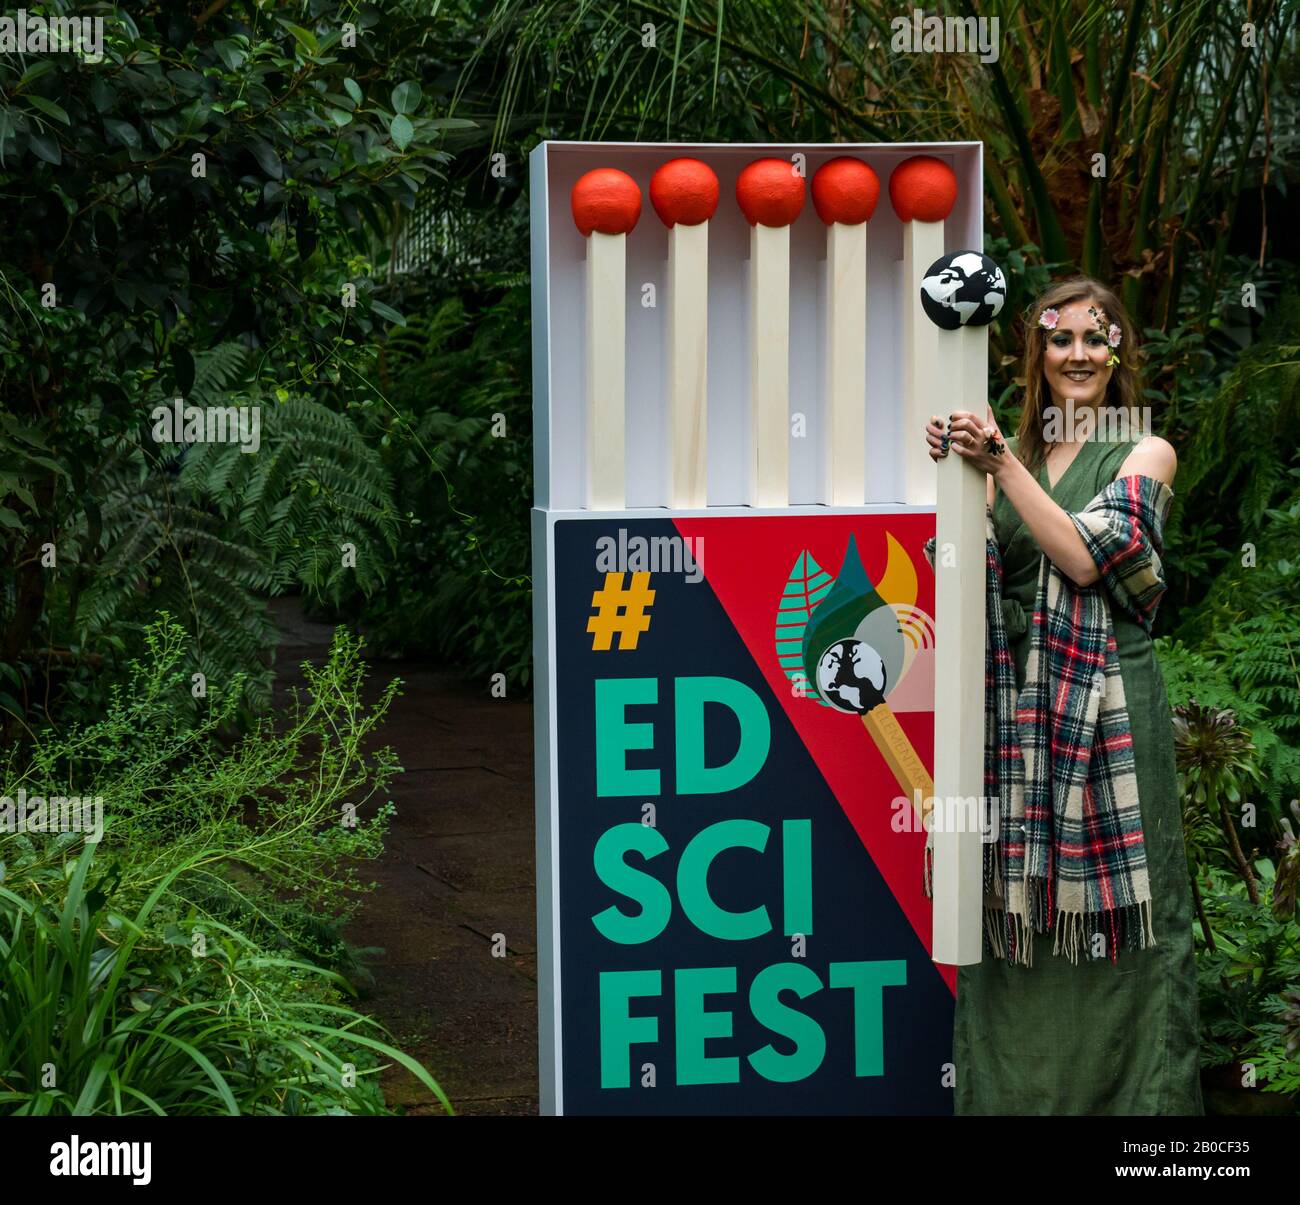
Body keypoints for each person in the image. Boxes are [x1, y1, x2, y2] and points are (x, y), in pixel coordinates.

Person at [923, 276, 1204, 1115]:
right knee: (1014, 911)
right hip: (1012, 719)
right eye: (1060, 339)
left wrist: (996, 460)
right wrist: (949, 462)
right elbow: (965, 561)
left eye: (1095, 338)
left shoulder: (1143, 452)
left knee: (1127, 920)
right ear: (1035, 355)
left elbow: (1088, 559)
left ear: (1118, 354)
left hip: (1110, 715)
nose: (1077, 354)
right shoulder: (1007, 450)